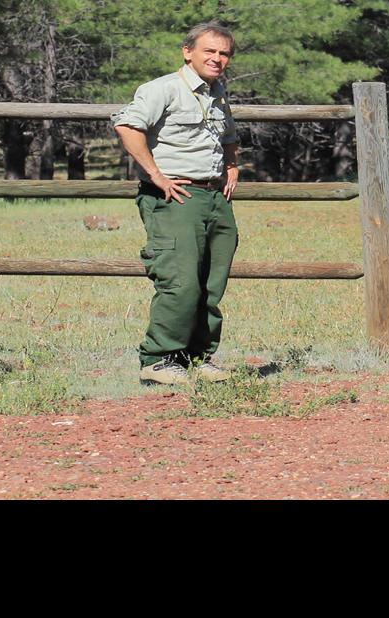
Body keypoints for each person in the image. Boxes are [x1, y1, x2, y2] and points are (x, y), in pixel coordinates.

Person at [111, 21, 242, 385]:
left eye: (224, 53)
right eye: (209, 51)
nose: (217, 59)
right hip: (175, 198)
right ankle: (157, 359)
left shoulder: (217, 92)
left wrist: (232, 166)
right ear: (188, 52)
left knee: (211, 283)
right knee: (180, 280)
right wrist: (156, 174)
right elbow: (127, 127)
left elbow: (228, 134)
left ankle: (198, 357)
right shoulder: (163, 88)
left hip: (214, 196)